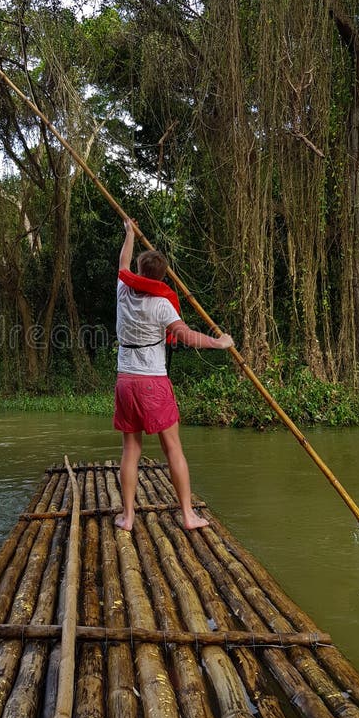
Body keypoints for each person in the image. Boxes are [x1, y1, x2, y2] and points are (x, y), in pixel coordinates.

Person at [114, 218, 234, 531]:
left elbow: (123, 264)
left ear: (139, 271)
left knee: (131, 449)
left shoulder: (123, 292)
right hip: (153, 382)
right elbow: (187, 336)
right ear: (162, 277)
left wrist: (129, 234)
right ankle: (188, 515)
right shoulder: (162, 305)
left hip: (125, 381)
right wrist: (219, 343)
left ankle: (128, 517)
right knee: (173, 448)